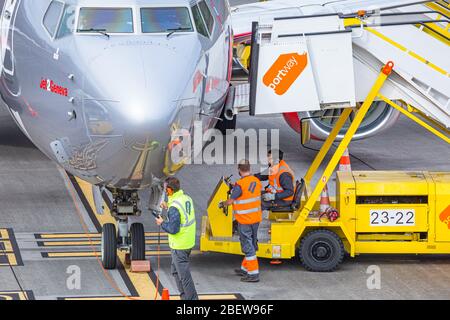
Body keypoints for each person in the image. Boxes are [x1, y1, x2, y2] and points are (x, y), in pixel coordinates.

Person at [155, 177, 198, 300]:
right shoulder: (186, 198)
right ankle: (185, 297)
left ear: (170, 190)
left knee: (184, 277)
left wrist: (162, 222)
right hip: (188, 242)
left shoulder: (174, 206)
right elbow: (181, 212)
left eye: (165, 189)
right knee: (175, 271)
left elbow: (173, 229)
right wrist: (168, 206)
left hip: (179, 245)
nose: (164, 192)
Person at [220, 160, 262, 282]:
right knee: (251, 244)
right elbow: (248, 192)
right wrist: (235, 187)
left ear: (239, 170)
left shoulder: (240, 185)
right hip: (256, 219)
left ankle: (253, 275)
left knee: (247, 247)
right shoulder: (256, 181)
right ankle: (245, 269)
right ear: (249, 168)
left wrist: (222, 204)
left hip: (245, 221)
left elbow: (231, 201)